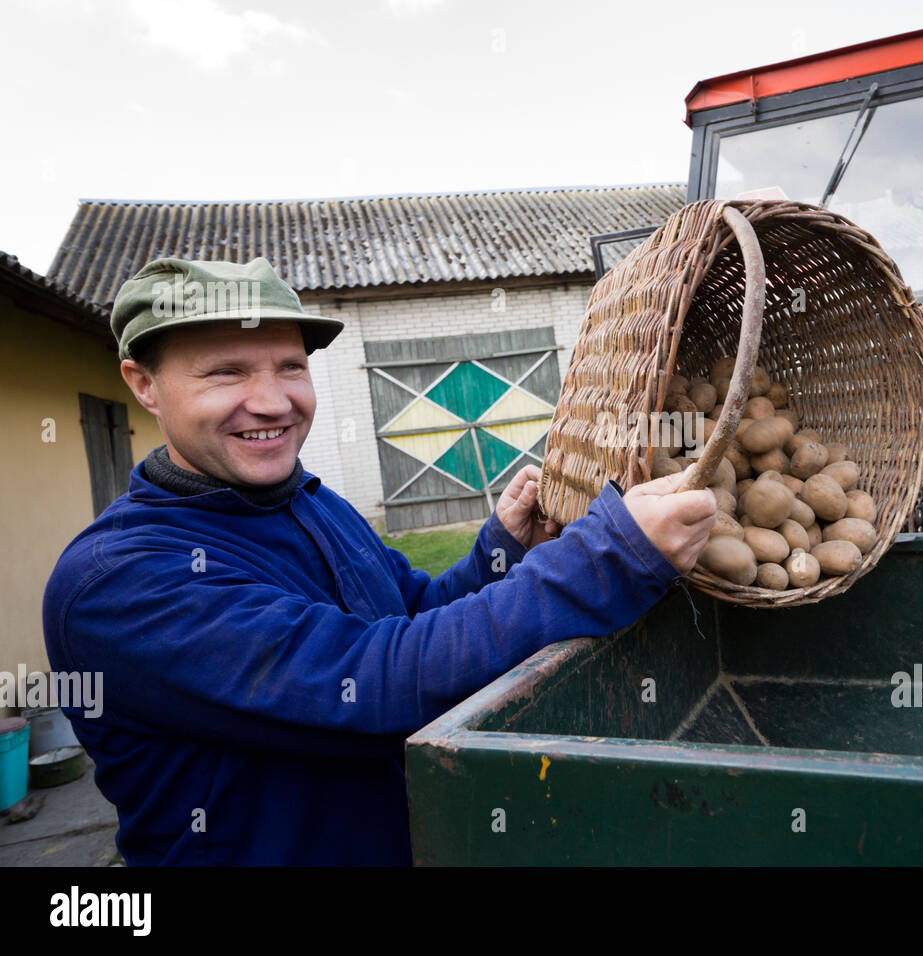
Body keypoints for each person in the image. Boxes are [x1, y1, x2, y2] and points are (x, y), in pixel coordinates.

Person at [43, 257, 716, 865]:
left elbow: (413, 613)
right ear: (144, 384)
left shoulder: (307, 499)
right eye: (226, 372)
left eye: (290, 366)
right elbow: (374, 682)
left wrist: (502, 553)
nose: (274, 401)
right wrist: (612, 558)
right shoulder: (118, 583)